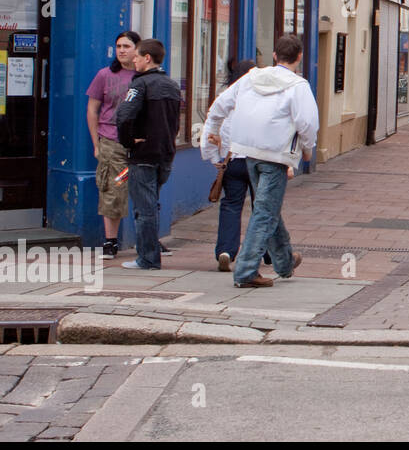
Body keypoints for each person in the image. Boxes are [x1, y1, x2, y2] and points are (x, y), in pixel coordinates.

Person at [203, 34, 318, 288]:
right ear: (299, 57)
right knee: (265, 211)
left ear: (275, 55)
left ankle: (285, 262)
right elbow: (307, 123)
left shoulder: (249, 78)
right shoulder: (298, 86)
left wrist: (210, 148)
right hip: (275, 155)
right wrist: (308, 149)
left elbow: (218, 108)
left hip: (247, 151)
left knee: (268, 206)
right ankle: (245, 270)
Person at [114, 38, 181, 271]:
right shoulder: (172, 86)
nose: (134, 59)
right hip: (166, 154)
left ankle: (148, 259)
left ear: (147, 58)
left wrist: (128, 141)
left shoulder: (139, 85)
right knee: (151, 205)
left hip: (143, 155)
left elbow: (123, 116)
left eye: (137, 56)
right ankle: (150, 254)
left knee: (145, 209)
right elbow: (175, 123)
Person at [86, 31, 140, 259]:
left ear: (137, 49)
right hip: (112, 142)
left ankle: (148, 239)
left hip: (139, 146)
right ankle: (111, 241)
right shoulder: (104, 75)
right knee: (113, 189)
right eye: (118, 46)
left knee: (145, 190)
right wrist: (96, 143)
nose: (121, 50)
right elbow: (92, 109)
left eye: (126, 46)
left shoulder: (143, 76)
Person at [201, 58, 256, 272]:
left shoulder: (226, 100)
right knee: (263, 207)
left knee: (232, 205)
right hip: (257, 161)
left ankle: (225, 250)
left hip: (232, 161)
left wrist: (215, 157)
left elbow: (211, 126)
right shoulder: (259, 101)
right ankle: (269, 252)